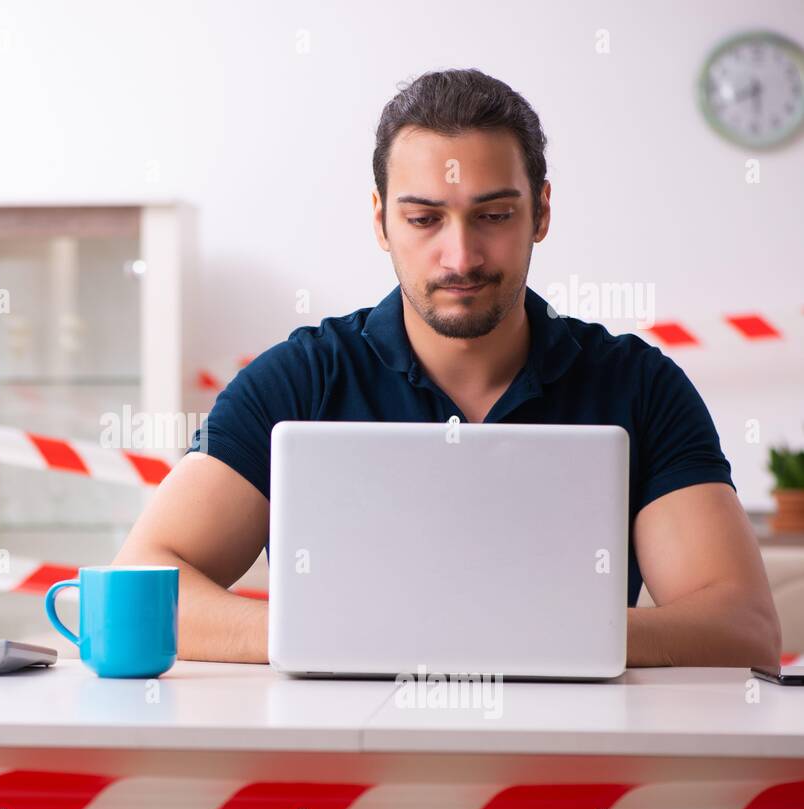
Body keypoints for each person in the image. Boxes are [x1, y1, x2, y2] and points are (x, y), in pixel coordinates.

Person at [112, 68, 781, 669]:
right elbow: (145, 574)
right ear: (381, 221)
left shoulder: (639, 387)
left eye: (492, 215)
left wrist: (502, 638)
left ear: (541, 211)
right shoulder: (299, 380)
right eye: (425, 219)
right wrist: (335, 635)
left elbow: (741, 624)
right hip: (338, 767)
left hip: (575, 770)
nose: (460, 256)